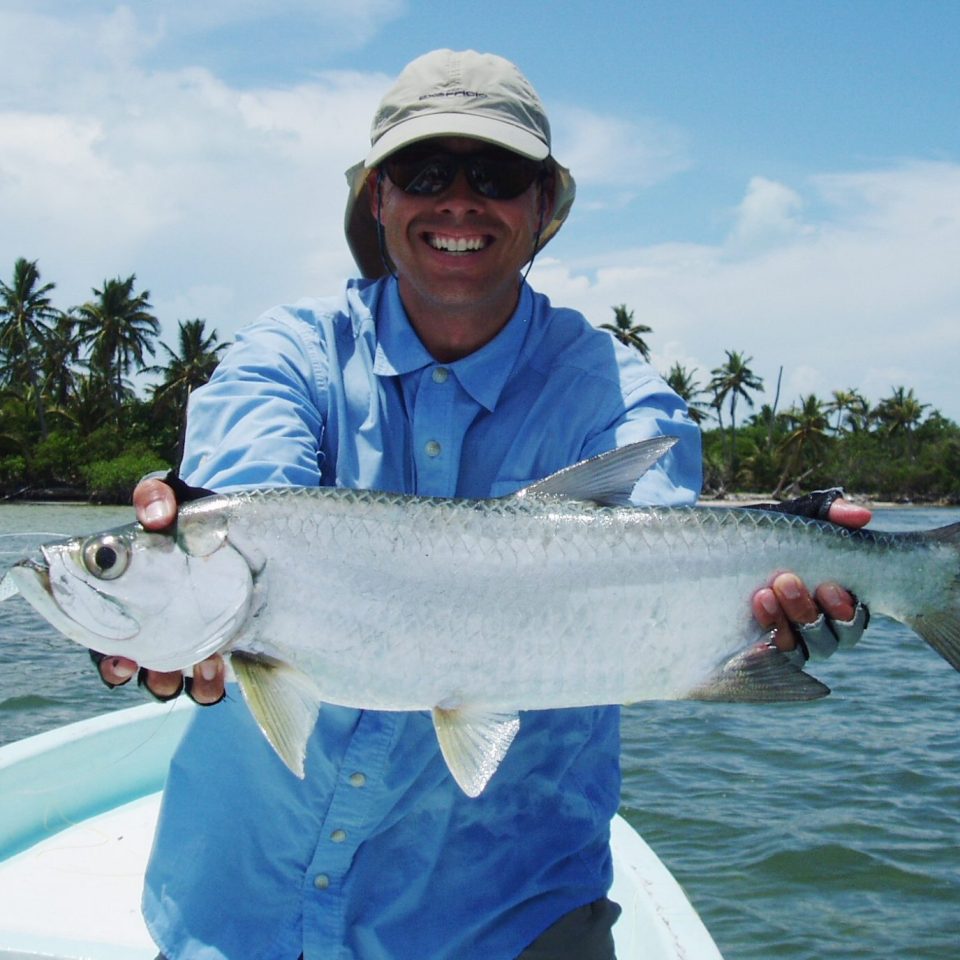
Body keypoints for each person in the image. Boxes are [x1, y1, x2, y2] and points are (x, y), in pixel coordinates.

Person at [95, 49, 871, 960]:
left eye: (495, 174)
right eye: (426, 172)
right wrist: (158, 598)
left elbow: (665, 569)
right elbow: (251, 501)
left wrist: (769, 612)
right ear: (379, 197)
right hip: (238, 908)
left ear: (543, 207)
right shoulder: (290, 354)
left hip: (508, 920)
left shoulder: (618, 399)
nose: (458, 202)